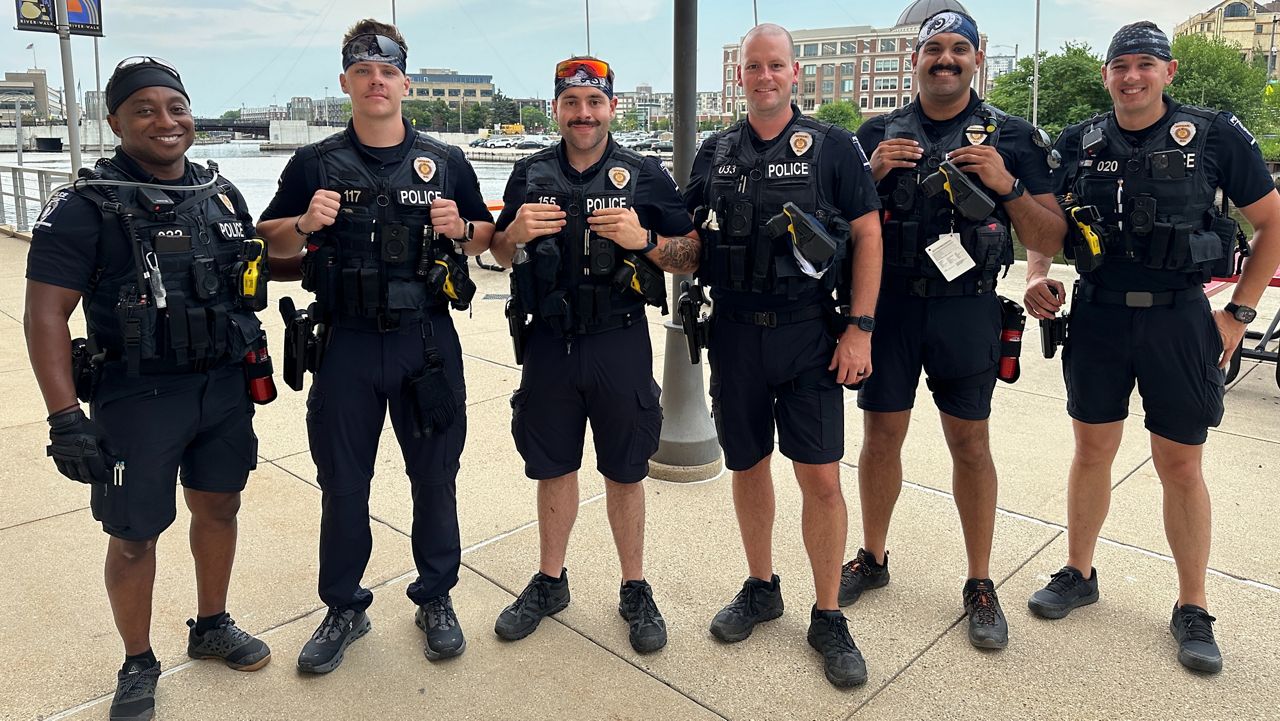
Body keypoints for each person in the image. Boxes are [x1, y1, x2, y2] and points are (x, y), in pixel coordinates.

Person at [1023, 21, 1280, 674]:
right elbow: (1047, 223)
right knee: (1091, 450)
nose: (1131, 76)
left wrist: (1240, 312)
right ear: (1106, 75)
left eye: (1145, 64)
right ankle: (1080, 571)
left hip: (1180, 319)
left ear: (1168, 72)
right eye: (1120, 66)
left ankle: (1193, 605)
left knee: (1180, 463)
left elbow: (1272, 220)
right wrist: (1035, 272)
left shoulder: (1213, 134)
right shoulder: (1078, 141)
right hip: (1101, 317)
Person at [24, 57, 272, 721]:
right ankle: (138, 660)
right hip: (137, 398)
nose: (166, 121)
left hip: (222, 387)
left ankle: (212, 623)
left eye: (177, 107)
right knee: (134, 535)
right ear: (115, 121)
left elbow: (252, 268)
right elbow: (46, 313)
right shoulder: (84, 207)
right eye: (145, 109)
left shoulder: (221, 192)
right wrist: (64, 419)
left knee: (219, 506)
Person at [257, 18, 494, 671]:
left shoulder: (443, 161)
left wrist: (464, 227)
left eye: (387, 72)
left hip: (427, 343)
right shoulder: (316, 162)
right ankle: (343, 606)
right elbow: (266, 238)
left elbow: (486, 237)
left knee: (435, 478)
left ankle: (435, 595)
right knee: (343, 484)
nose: (376, 82)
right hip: (347, 346)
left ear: (404, 81)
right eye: (363, 72)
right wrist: (304, 222)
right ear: (346, 82)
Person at [841, 9, 1066, 651]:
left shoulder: (1014, 135)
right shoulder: (875, 132)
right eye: (932, 50)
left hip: (966, 306)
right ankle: (874, 557)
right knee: (881, 435)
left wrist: (1007, 182)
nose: (945, 60)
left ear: (977, 57)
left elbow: (1049, 236)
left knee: (969, 443)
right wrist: (871, 174)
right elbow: (838, 224)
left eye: (957, 49)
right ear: (915, 61)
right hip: (889, 311)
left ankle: (979, 581)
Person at [683, 23, 883, 688]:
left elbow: (867, 234)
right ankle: (762, 586)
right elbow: (683, 235)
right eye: (752, 66)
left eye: (776, 65)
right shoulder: (714, 151)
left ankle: (827, 613)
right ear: (738, 76)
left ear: (795, 74)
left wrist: (861, 327)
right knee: (748, 465)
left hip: (810, 334)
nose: (764, 76)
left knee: (821, 479)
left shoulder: (833, 148)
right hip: (735, 332)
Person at [487, 56, 699, 654]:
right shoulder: (527, 174)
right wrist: (514, 235)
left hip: (619, 339)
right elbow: (500, 254)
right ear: (556, 109)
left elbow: (692, 254)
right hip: (549, 343)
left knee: (626, 468)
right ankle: (551, 580)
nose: (583, 114)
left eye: (594, 103)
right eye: (571, 103)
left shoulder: (645, 174)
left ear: (611, 108)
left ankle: (634, 587)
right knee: (552, 465)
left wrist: (646, 241)